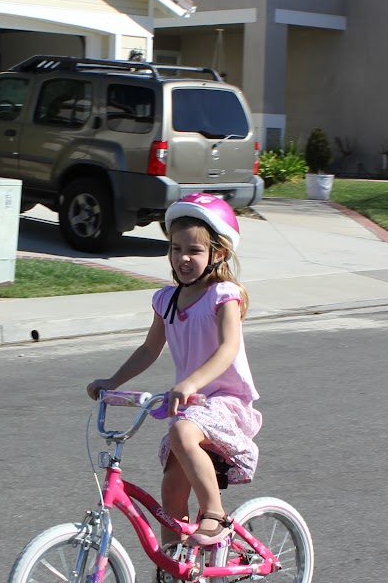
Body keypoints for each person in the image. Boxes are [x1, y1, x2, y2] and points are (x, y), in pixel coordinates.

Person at [86, 192, 261, 547]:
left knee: (182, 433)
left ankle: (216, 514)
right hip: (191, 403)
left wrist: (190, 382)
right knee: (171, 492)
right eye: (175, 248)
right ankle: (170, 575)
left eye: (194, 251)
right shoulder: (165, 301)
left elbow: (228, 349)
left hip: (225, 402)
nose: (183, 257)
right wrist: (113, 381)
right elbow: (150, 348)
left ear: (218, 254)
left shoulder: (223, 294)